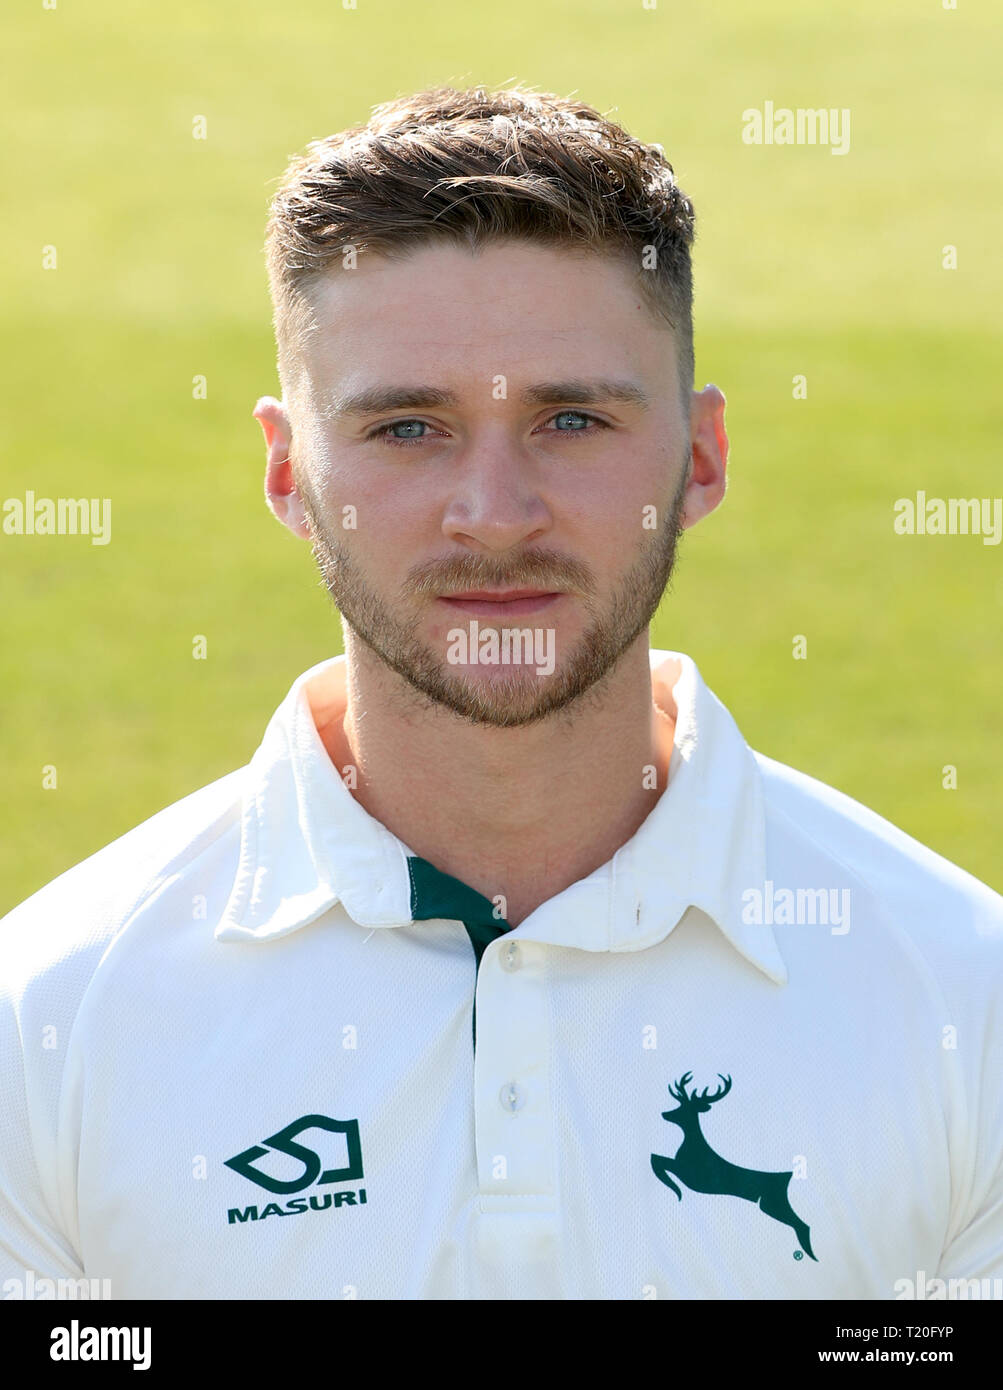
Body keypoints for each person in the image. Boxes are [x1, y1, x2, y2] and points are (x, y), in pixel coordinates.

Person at [1, 85, 1000, 1302]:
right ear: (285, 473)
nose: (494, 514)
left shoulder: (966, 1000)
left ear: (700, 458)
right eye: (408, 429)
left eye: (571, 418)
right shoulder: (44, 1024)